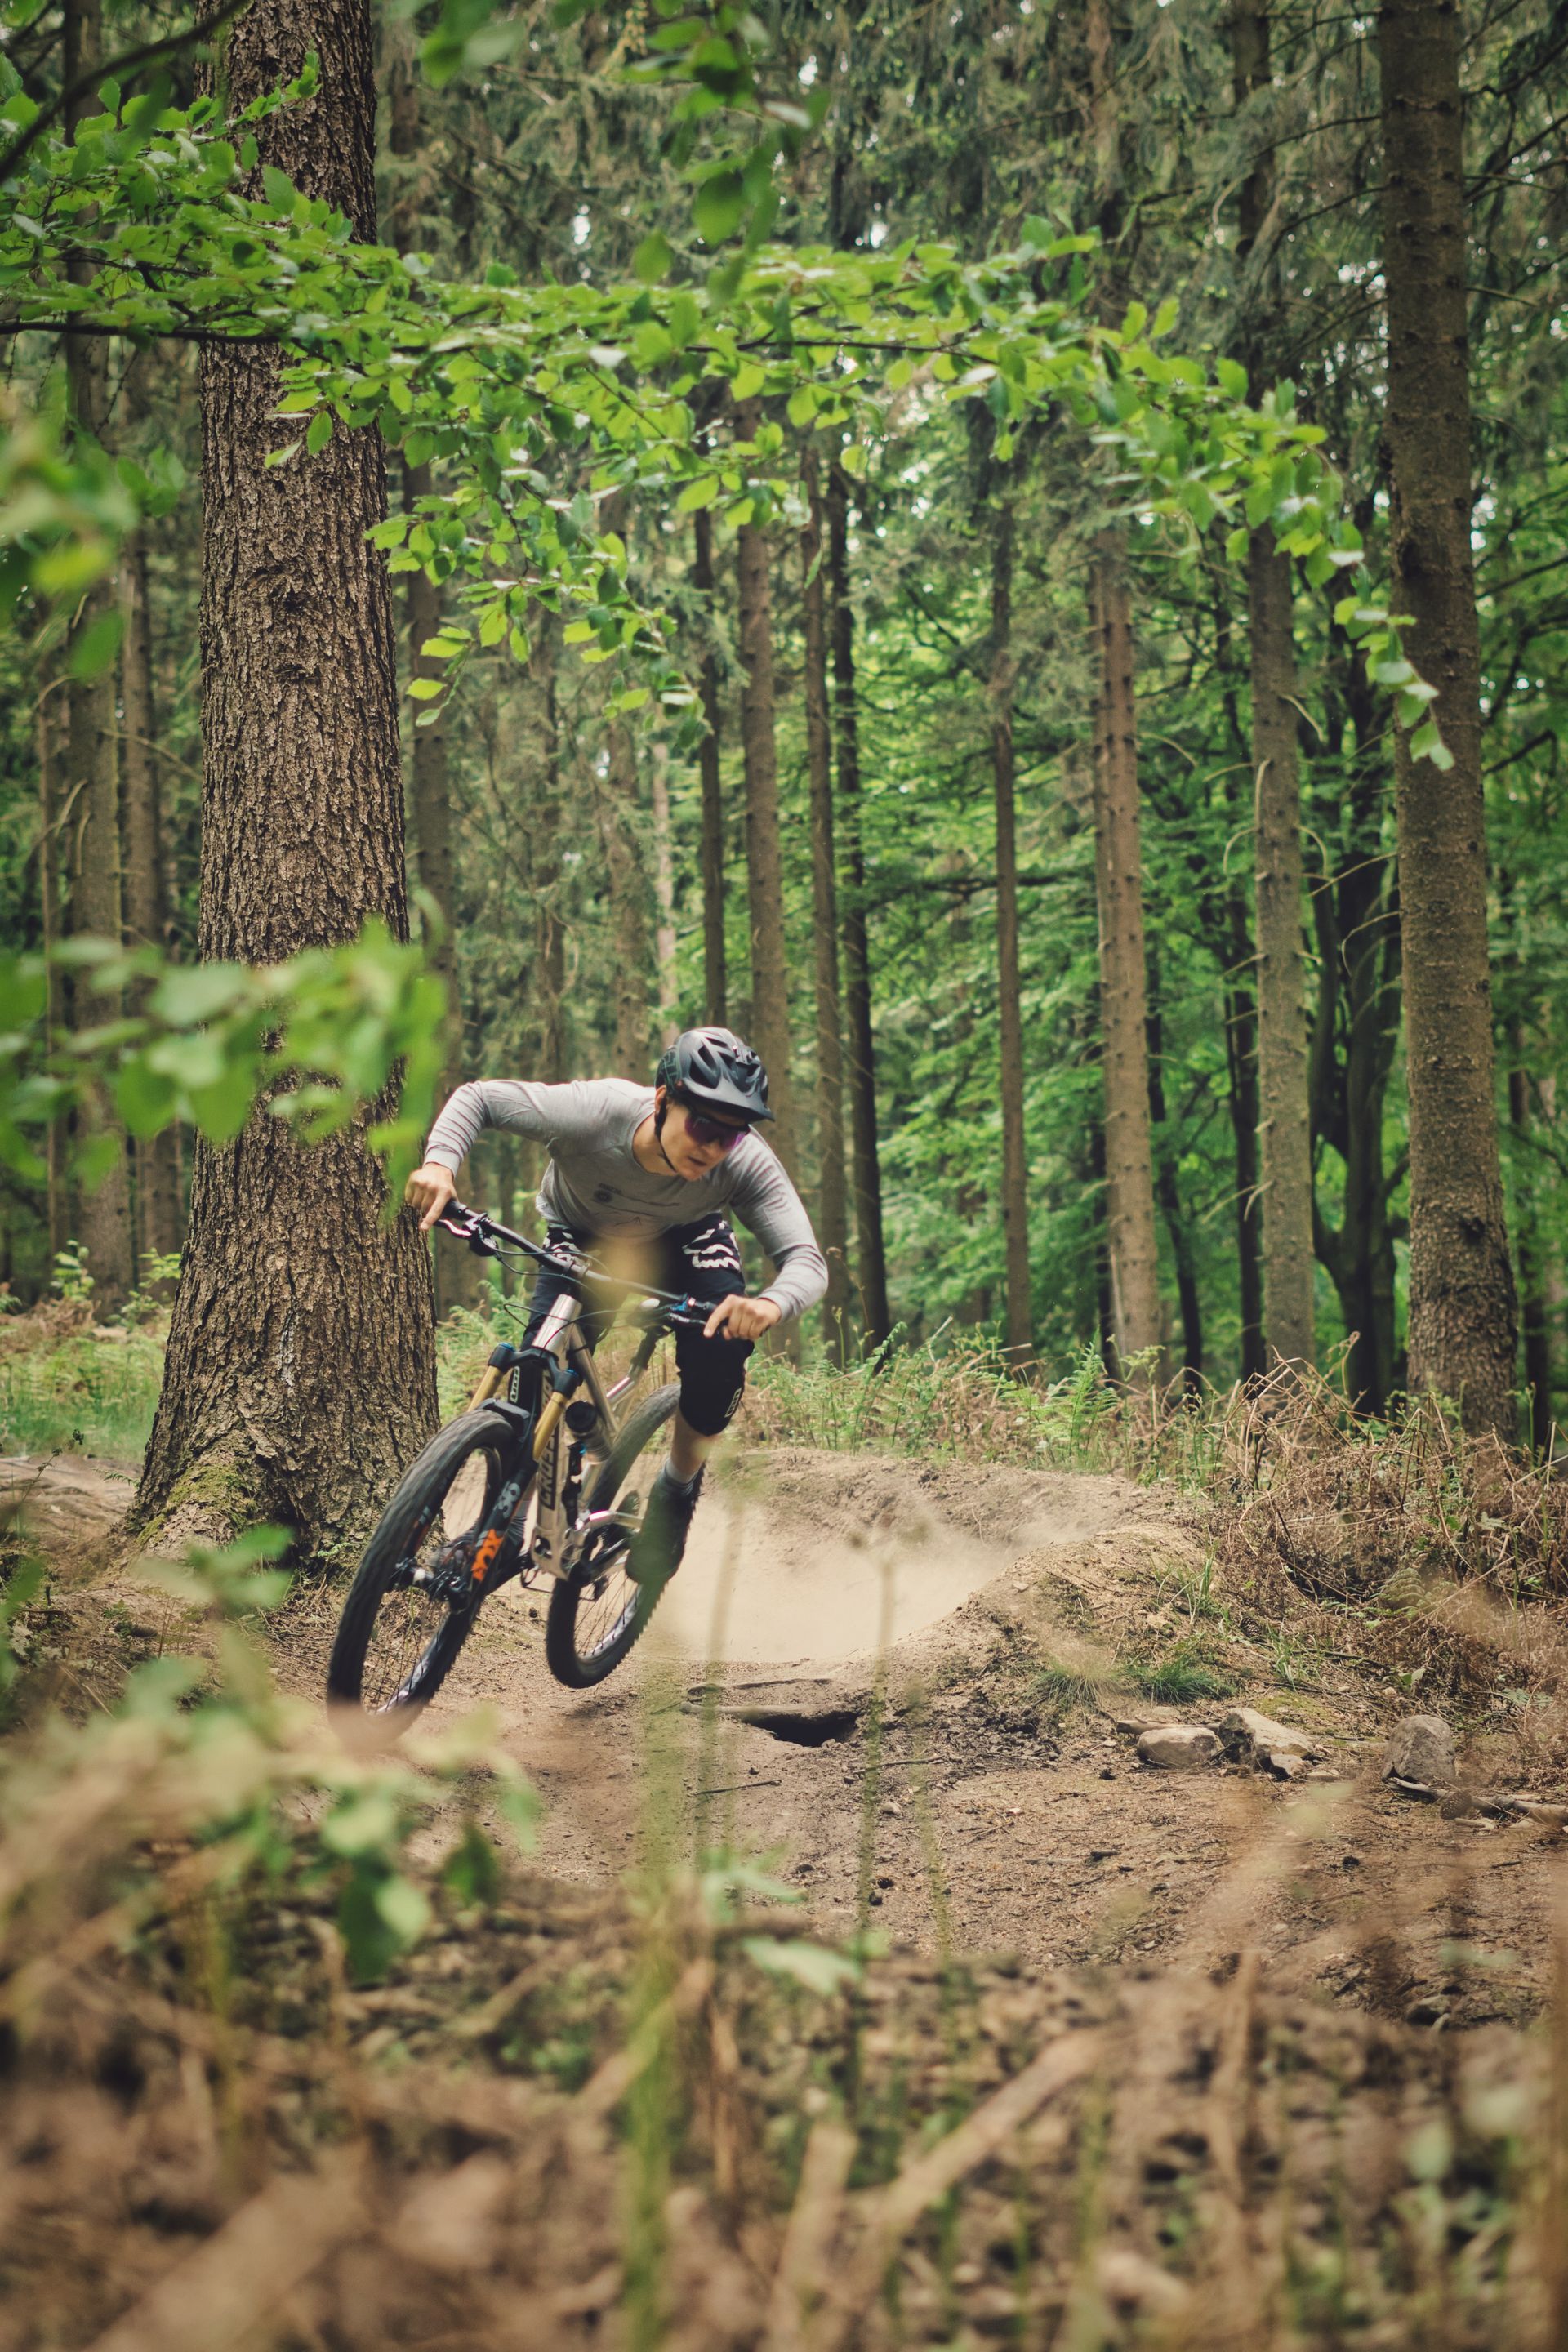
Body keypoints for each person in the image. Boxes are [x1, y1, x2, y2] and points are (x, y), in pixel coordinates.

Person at [403, 1027, 827, 1588]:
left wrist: (772, 1304)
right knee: (538, 1361)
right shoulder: (595, 1112)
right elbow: (480, 1098)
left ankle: (676, 1489)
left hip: (686, 1239)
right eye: (702, 1124)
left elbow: (805, 1258)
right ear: (661, 1100)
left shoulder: (742, 1162)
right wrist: (439, 1164)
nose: (712, 1147)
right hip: (584, 1235)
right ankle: (501, 1528)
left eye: (729, 1136)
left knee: (720, 1352)